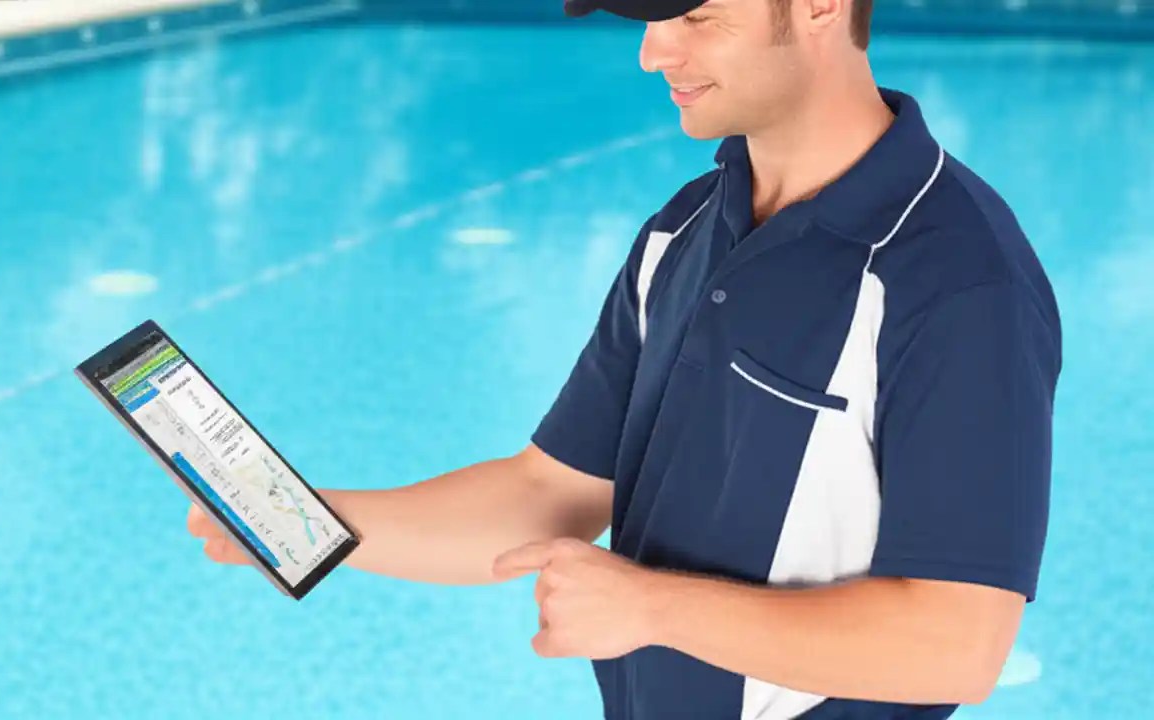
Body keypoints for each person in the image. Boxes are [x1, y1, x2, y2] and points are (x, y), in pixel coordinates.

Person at [188, 0, 1062, 717]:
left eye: (696, 17)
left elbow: (955, 647)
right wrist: (306, 522)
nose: (653, 54)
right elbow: (550, 492)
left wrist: (649, 607)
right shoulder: (684, 230)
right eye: (647, 20)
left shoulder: (957, 279)